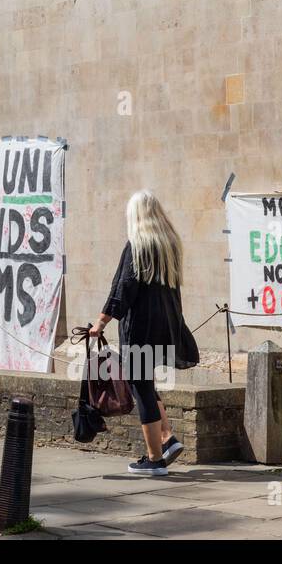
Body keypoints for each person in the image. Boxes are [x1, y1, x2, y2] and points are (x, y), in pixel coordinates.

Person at [90, 190, 199, 476]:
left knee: (140, 387)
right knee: (146, 384)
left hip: (141, 328)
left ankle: (155, 460)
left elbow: (122, 290)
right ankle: (167, 440)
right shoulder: (169, 244)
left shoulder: (137, 245)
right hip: (167, 325)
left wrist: (100, 323)